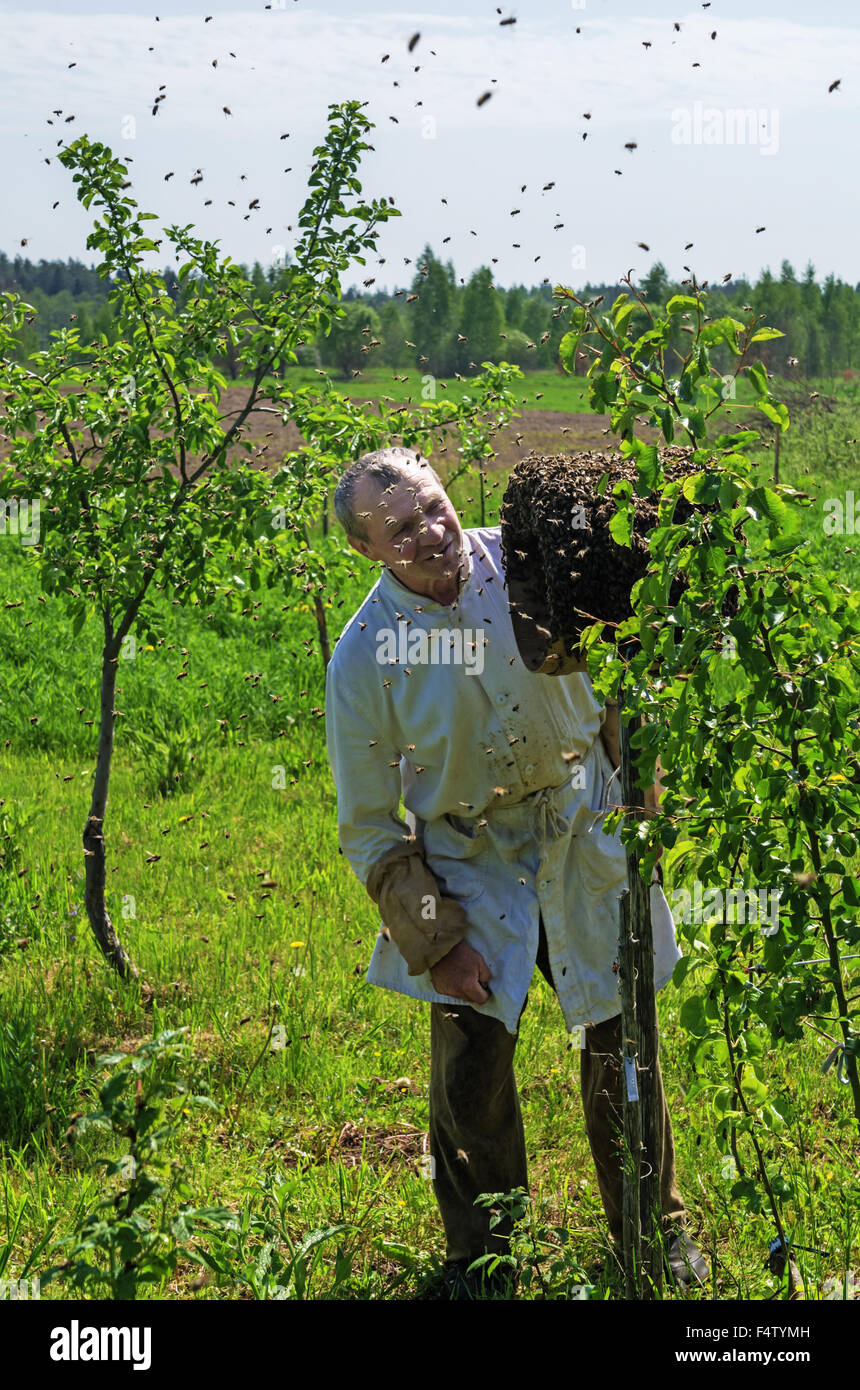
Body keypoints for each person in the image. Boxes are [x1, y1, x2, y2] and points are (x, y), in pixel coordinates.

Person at [324, 445, 709, 1298]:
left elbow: (622, 678)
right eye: (399, 530)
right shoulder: (363, 660)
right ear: (368, 552)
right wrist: (436, 941)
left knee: (621, 1047)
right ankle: (482, 1258)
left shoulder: (536, 564)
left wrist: (641, 787)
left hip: (583, 823)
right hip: (470, 850)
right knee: (471, 1072)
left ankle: (654, 1236)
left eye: (431, 505)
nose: (429, 531)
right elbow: (368, 829)